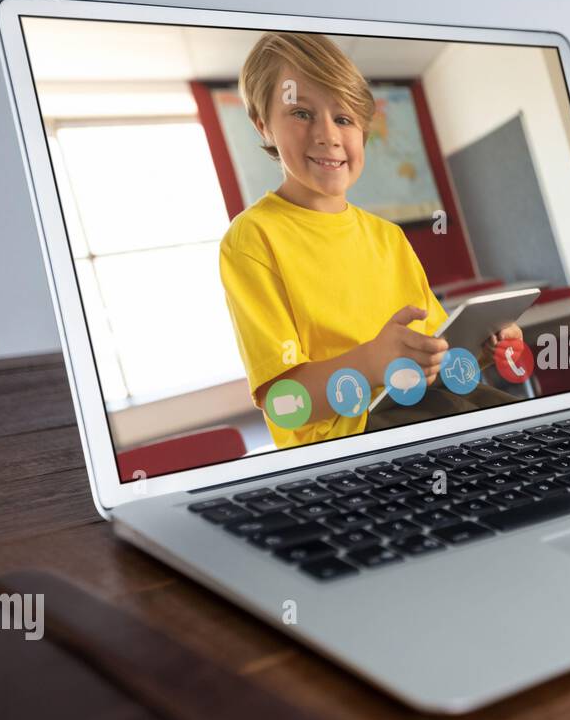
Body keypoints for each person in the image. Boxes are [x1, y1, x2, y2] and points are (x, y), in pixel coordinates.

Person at [218, 32, 519, 449]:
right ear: (263, 124)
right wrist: (371, 363)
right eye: (302, 113)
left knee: (542, 439)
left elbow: (433, 359)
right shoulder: (252, 239)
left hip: (430, 403)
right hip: (349, 440)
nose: (328, 135)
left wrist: (481, 347)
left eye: (343, 119)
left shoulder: (388, 237)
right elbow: (285, 405)